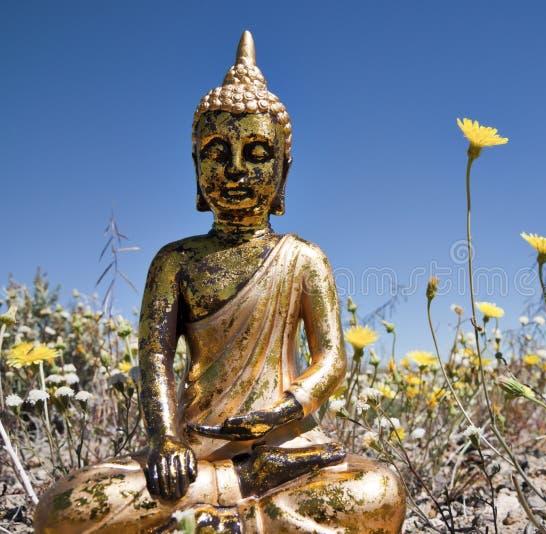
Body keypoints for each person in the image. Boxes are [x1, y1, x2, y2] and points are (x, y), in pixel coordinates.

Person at [34, 31, 405, 534]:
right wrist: (166, 440)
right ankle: (240, 498)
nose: (233, 170)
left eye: (255, 152)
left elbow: (332, 359)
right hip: (194, 455)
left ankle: (214, 518)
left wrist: (283, 411)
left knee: (379, 492)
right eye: (216, 151)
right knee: (62, 508)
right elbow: (156, 358)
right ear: (195, 168)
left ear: (283, 171)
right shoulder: (176, 261)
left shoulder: (303, 259)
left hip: (287, 448)